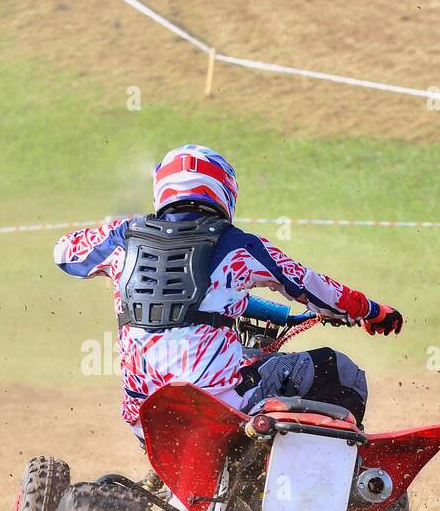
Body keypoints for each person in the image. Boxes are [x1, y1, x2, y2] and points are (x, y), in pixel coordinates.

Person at [53, 144, 403, 441]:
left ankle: (164, 483)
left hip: (144, 415)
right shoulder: (238, 245)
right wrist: (370, 310)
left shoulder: (121, 237)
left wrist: (123, 228)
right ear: (223, 190)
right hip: (221, 404)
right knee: (339, 369)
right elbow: (308, 285)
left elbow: (63, 253)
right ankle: (339, 470)